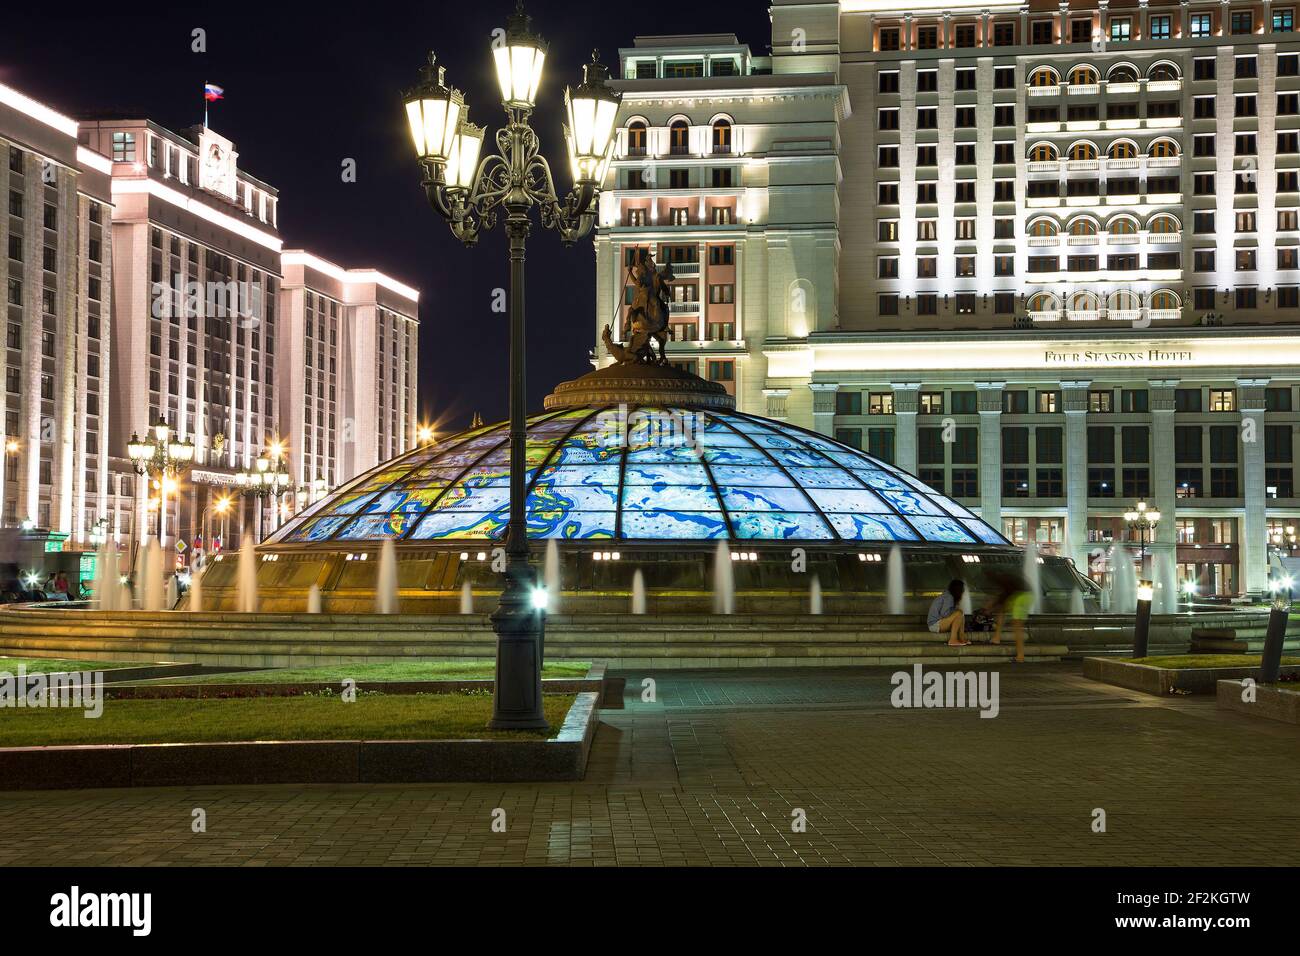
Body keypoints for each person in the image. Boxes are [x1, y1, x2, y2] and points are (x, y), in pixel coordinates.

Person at [985, 571, 1032, 662]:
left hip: (1021, 596)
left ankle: (1020, 657)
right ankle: (996, 638)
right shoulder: (1005, 577)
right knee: (1002, 610)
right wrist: (992, 606)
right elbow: (1003, 598)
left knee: (1017, 627)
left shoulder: (1002, 580)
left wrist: (990, 608)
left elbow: (1004, 596)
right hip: (1024, 595)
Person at [927, 579, 969, 646]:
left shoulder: (949, 596)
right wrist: (955, 613)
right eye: (962, 589)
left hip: (938, 623)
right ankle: (953, 640)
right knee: (959, 613)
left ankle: (962, 638)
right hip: (935, 625)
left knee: (960, 613)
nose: (963, 591)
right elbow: (944, 614)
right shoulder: (949, 597)